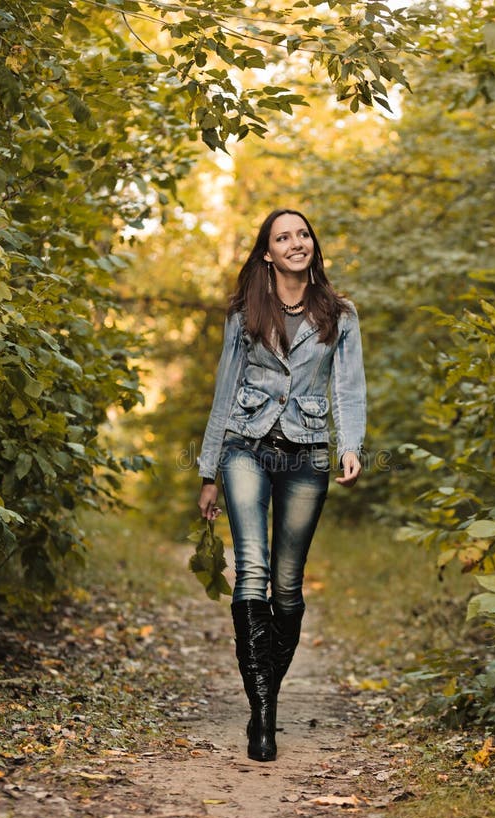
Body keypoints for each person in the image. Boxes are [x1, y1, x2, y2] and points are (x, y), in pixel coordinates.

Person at [197, 208, 366, 762]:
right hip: (245, 445)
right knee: (253, 568)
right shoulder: (246, 311)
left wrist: (349, 446)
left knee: (288, 585)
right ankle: (263, 718)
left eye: (303, 234)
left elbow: (348, 387)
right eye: (283, 237)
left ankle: (260, 692)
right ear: (267, 252)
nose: (297, 243)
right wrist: (208, 472)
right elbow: (225, 388)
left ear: (313, 245)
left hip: (307, 452)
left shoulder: (338, 314)